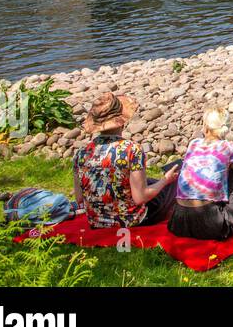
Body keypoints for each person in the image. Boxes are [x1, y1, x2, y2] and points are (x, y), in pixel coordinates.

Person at [71, 92, 179, 229]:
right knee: (171, 185)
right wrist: (166, 180)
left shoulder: (81, 153)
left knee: (149, 181)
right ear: (122, 122)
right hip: (130, 221)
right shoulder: (131, 150)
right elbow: (140, 197)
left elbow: (79, 198)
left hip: (96, 222)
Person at [168, 107, 233, 241]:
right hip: (213, 225)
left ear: (205, 126)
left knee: (229, 167)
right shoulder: (228, 147)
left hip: (179, 222)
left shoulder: (193, 144)